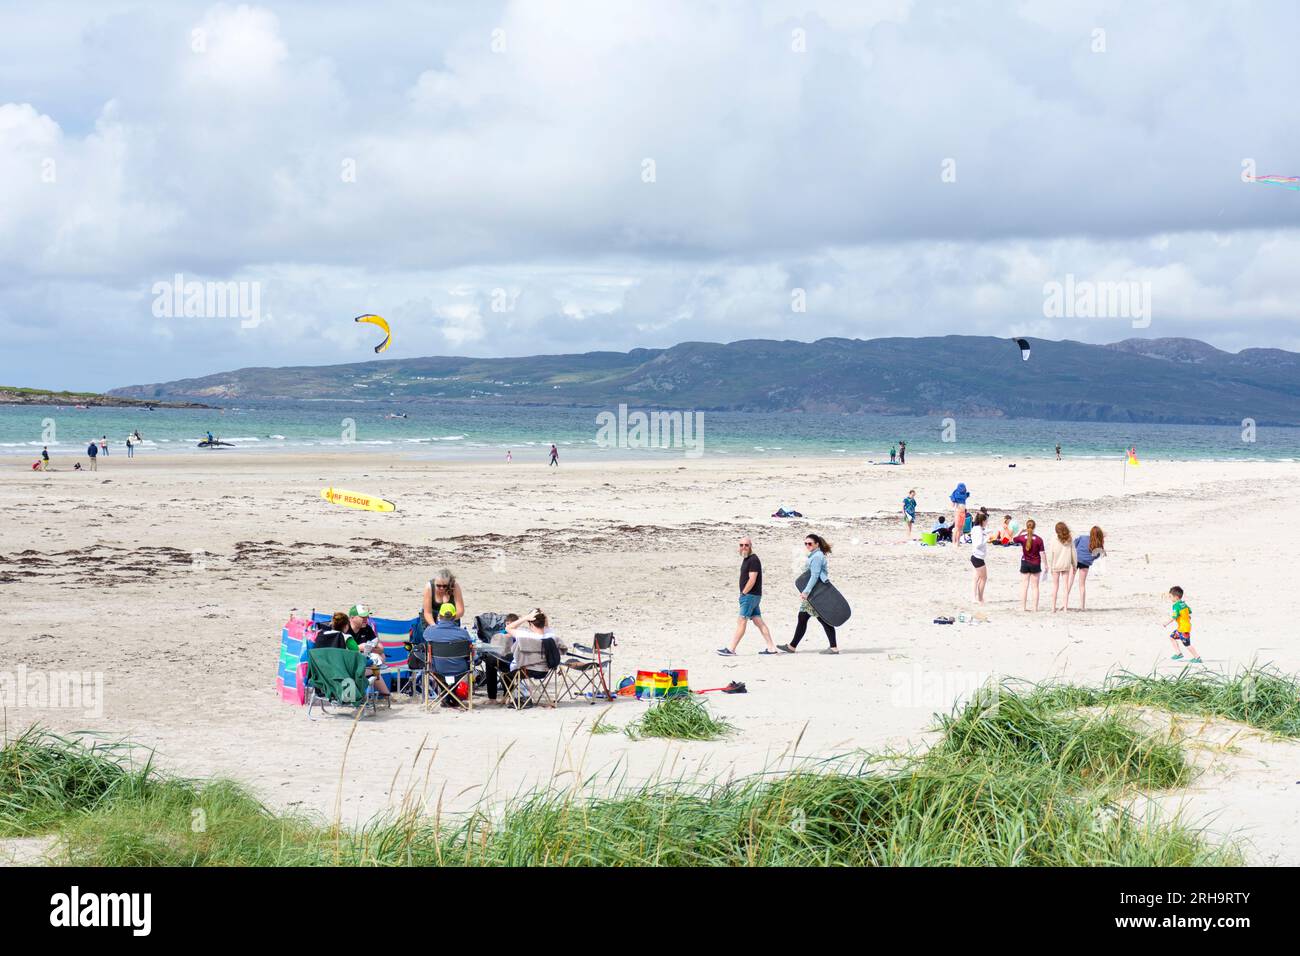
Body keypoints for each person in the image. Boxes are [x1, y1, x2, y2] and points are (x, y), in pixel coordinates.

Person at [778, 533, 838, 654]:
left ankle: (833, 647)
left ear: (817, 544)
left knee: (822, 619)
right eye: (805, 543)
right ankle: (792, 646)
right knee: (803, 617)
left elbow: (814, 576)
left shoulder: (817, 557)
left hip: (815, 593)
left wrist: (805, 592)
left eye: (810, 543)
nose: (807, 545)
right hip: (815, 593)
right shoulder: (815, 555)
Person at [719, 536, 777, 656]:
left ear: (751, 546)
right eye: (741, 545)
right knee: (758, 621)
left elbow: (752, 579)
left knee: (741, 621)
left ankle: (731, 649)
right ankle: (771, 648)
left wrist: (743, 593)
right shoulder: (747, 559)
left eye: (746, 545)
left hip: (750, 596)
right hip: (753, 596)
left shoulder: (753, 560)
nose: (744, 547)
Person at [424, 606, 475, 704]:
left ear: (439, 616)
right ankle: (452, 696)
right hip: (460, 670)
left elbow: (425, 639)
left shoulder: (430, 631)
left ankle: (446, 696)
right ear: (454, 616)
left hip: (438, 669)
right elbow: (470, 653)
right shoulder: (463, 633)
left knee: (439, 665)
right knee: (462, 662)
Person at [1066, 526, 1106, 611]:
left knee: (1069, 582)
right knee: (1082, 585)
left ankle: (1064, 603)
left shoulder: (1083, 537)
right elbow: (1096, 556)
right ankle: (1082, 606)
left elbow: (1073, 545)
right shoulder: (1098, 545)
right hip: (1085, 564)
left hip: (1075, 560)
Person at [1013, 519, 1045, 611]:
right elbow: (1042, 553)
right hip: (1035, 563)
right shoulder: (1039, 539)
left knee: (1024, 586)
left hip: (1025, 562)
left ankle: (1023, 607)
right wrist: (1045, 564)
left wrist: (1021, 531)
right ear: (1034, 527)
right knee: (1035, 587)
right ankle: (1035, 608)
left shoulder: (1023, 537)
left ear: (1027, 527)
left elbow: (1013, 539)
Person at [1046, 522, 1077, 612]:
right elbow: (1073, 553)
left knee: (1055, 586)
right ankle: (1065, 608)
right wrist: (1074, 565)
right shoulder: (1069, 539)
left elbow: (1050, 554)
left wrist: (1050, 566)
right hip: (1066, 565)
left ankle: (1053, 608)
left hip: (1056, 565)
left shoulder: (1053, 539)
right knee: (1065, 586)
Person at [1164, 586, 1201, 663]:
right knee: (1172, 637)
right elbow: (1189, 611)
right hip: (1182, 628)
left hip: (1184, 629)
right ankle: (1178, 653)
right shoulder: (1183, 604)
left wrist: (1166, 623)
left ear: (1176, 597)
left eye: (1170, 596)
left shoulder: (1176, 605)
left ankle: (1197, 657)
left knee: (1187, 644)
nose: (1170, 598)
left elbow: (1174, 616)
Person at [970, 511, 989, 603]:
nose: (987, 523)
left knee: (976, 578)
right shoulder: (978, 530)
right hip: (978, 557)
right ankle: (980, 598)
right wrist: (987, 539)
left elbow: (984, 531)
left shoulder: (976, 528)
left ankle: (974, 598)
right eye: (986, 521)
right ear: (983, 521)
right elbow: (978, 544)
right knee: (983, 578)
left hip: (976, 556)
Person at [949, 483, 970, 547]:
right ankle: (954, 542)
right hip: (958, 512)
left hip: (963, 513)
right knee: (956, 528)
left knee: (960, 528)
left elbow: (966, 496)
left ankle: (958, 543)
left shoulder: (964, 495)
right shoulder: (956, 494)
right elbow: (952, 504)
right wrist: (954, 502)